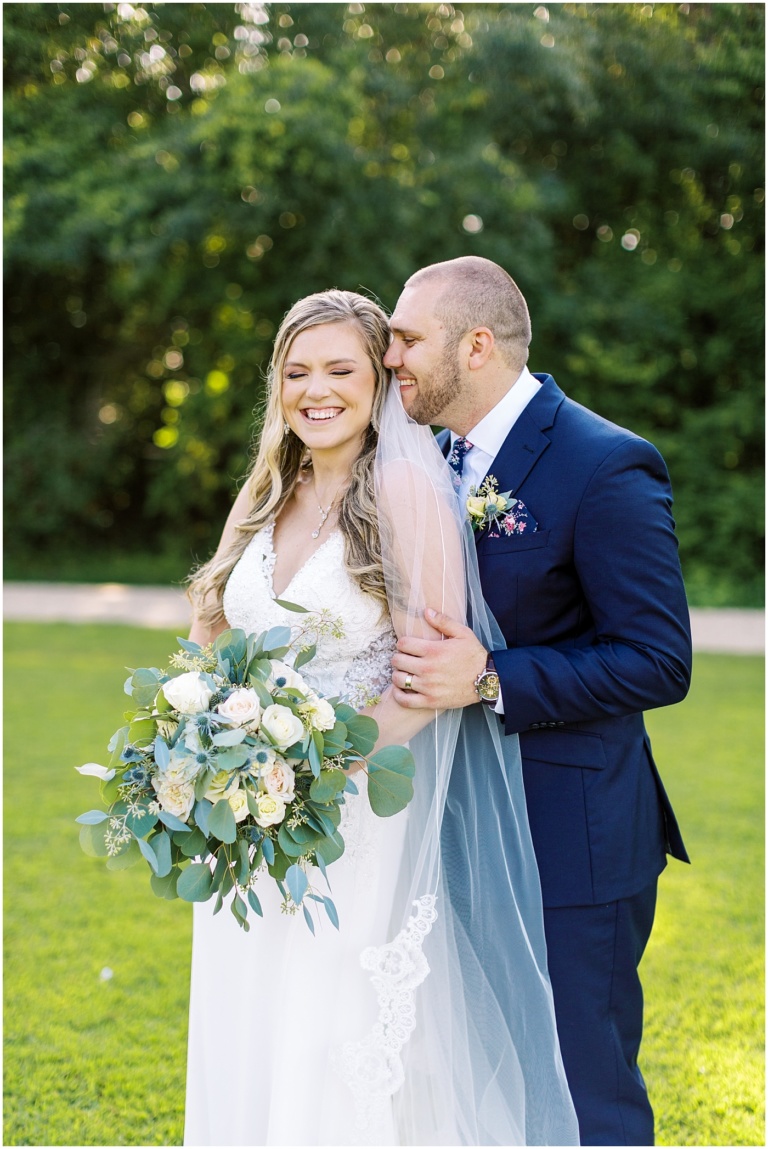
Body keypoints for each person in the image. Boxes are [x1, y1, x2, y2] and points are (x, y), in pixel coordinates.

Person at [182, 289, 579, 1146]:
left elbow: (425, 680)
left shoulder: (404, 489)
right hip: (241, 811)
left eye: (340, 370)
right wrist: (202, 743)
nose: (315, 390)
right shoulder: (267, 488)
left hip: (349, 811)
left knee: (325, 1026)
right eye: (296, 372)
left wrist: (312, 777)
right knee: (247, 1012)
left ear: (379, 382)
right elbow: (209, 633)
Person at [384, 255, 693, 1147]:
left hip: (571, 840)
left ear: (476, 346)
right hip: (457, 827)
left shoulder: (604, 463)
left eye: (407, 339)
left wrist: (492, 677)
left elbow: (658, 659)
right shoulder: (428, 456)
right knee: (484, 1085)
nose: (391, 357)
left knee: (583, 1092)